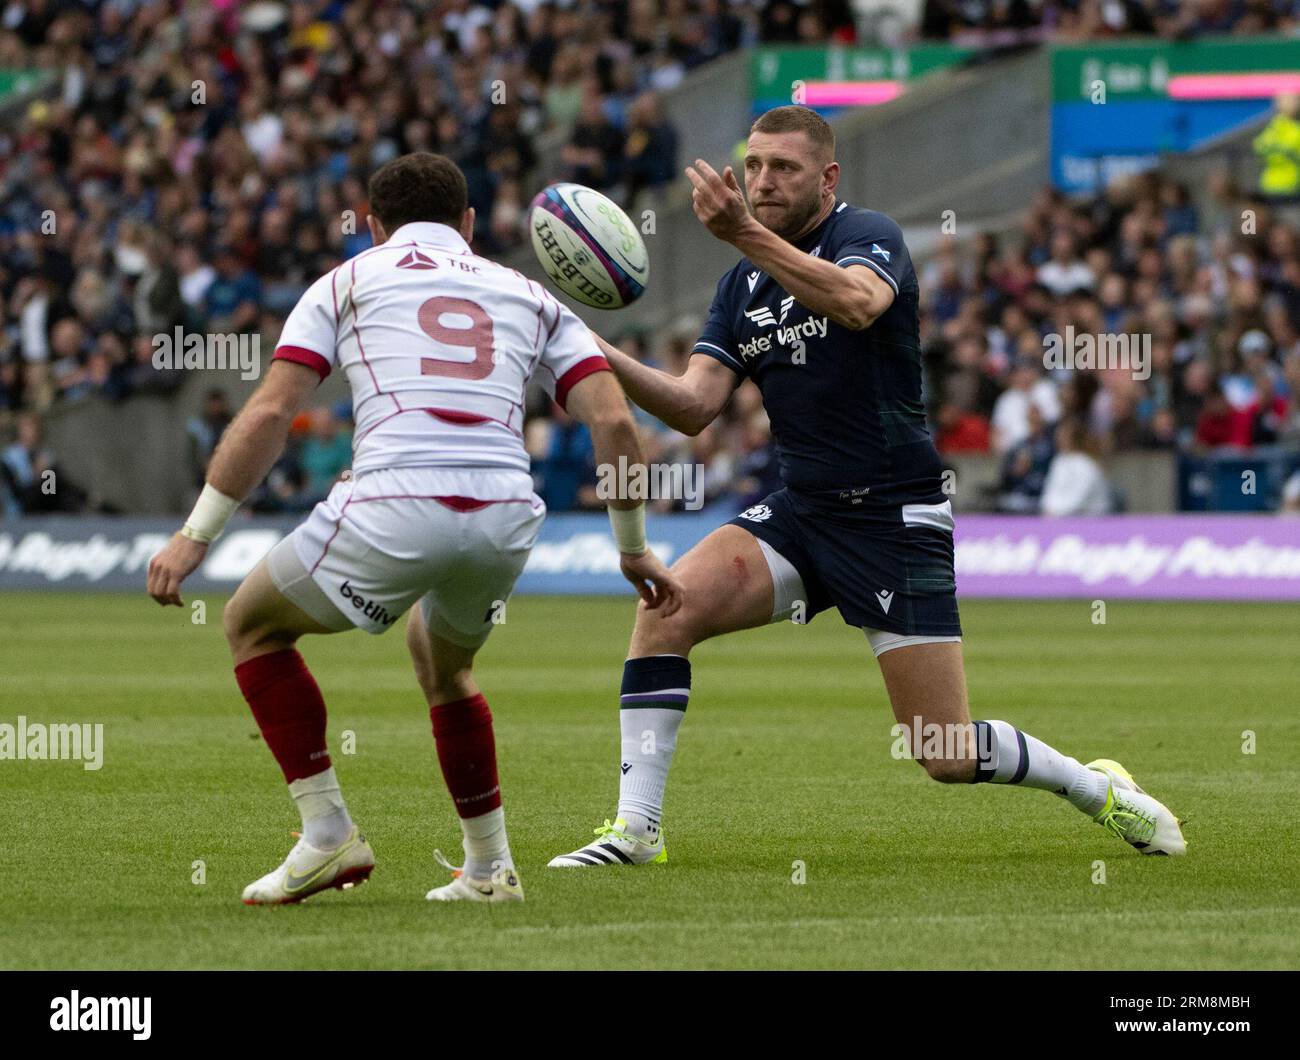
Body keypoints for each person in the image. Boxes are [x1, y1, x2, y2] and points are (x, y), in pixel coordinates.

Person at [549, 106, 1185, 869]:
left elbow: (855, 303)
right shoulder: (739, 284)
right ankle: (635, 830)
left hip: (892, 516)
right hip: (801, 511)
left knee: (942, 750)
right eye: (752, 166)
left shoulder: (869, 236)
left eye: (783, 168)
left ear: (828, 177)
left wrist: (744, 233)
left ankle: (1093, 787)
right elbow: (692, 405)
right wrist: (590, 346)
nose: (762, 181)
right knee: (665, 611)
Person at [147, 152, 682, 906]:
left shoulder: (346, 281)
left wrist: (195, 534)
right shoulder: (529, 293)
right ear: (469, 223)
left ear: (372, 225)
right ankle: (491, 870)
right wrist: (633, 547)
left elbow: (270, 413)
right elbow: (617, 421)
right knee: (444, 662)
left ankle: (327, 833)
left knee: (251, 624)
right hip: (503, 516)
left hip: (396, 502)